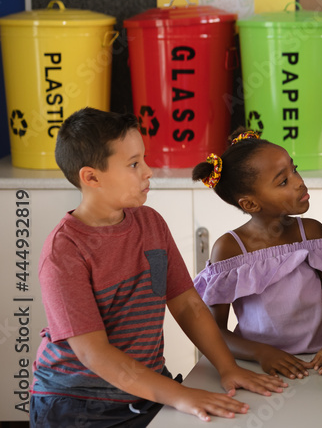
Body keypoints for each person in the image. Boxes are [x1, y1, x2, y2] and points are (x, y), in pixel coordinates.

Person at [30, 108, 286, 427]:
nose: (148, 171)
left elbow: (188, 304)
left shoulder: (150, 223)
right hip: (78, 402)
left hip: (144, 388)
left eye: (144, 159)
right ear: (91, 177)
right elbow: (94, 354)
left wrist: (227, 367)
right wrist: (181, 395)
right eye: (134, 164)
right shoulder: (64, 252)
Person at [193, 129, 322, 379]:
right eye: (283, 181)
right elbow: (215, 331)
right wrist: (261, 354)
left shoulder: (311, 233)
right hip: (257, 370)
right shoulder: (230, 249)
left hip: (319, 368)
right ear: (251, 204)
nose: (299, 181)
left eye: (294, 169)